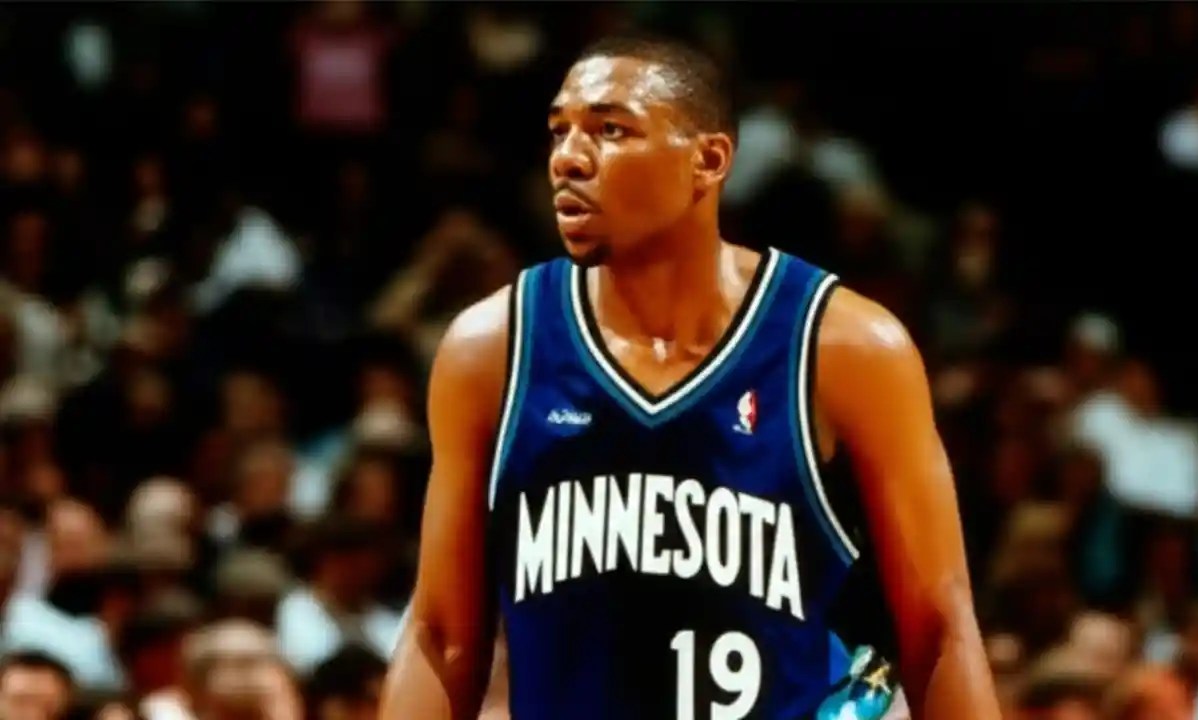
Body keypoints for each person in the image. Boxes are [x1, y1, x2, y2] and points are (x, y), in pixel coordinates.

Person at [381, 35, 997, 719]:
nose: (569, 158)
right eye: (559, 131)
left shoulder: (845, 346)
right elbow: (441, 639)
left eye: (611, 130)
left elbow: (939, 630)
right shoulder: (492, 348)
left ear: (708, 160)